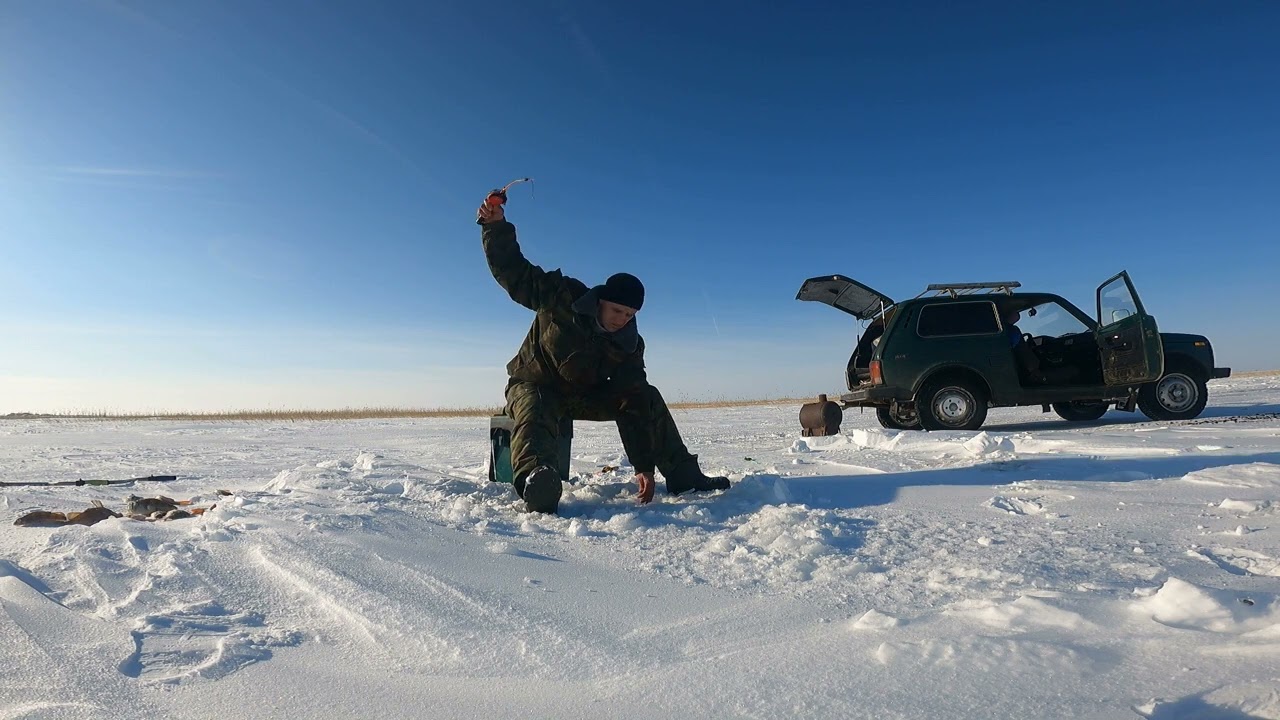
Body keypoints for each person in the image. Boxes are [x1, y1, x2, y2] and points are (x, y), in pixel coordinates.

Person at [477, 193, 731, 514]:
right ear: (600, 301)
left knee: (648, 395)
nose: (621, 319)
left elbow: (633, 399)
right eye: (616, 310)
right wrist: (495, 227)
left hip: (582, 396)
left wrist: (643, 466)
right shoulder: (562, 296)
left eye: (629, 314)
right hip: (534, 384)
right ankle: (536, 481)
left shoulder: (628, 344)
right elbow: (515, 273)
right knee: (535, 404)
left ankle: (684, 475)